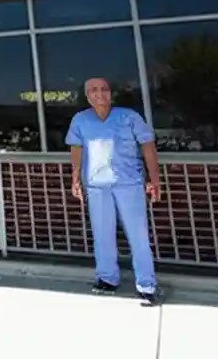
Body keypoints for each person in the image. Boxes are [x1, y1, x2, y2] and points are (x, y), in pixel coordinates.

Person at [66, 77, 161, 305]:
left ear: (111, 93)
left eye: (104, 89)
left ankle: (146, 284)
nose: (100, 94)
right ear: (87, 96)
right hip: (96, 185)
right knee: (102, 233)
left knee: (138, 235)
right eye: (93, 90)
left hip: (129, 183)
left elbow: (147, 145)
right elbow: (76, 149)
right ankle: (107, 278)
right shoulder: (80, 119)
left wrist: (155, 179)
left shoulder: (129, 116)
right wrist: (75, 179)